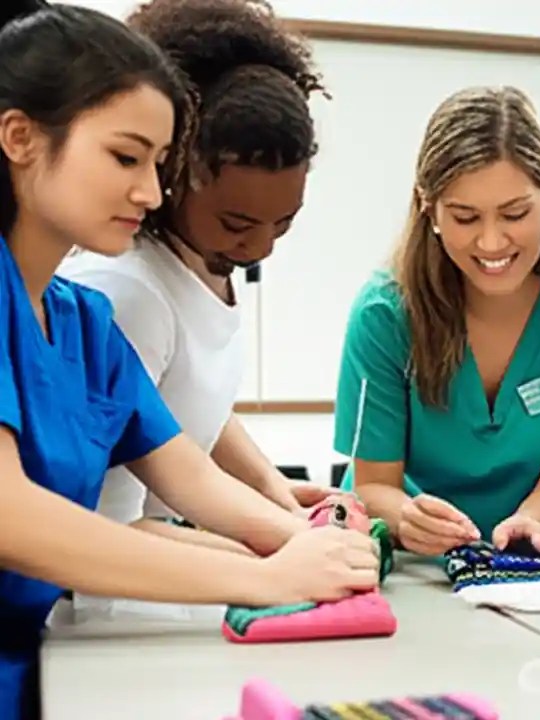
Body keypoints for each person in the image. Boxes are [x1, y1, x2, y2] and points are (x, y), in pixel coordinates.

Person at [0, 3, 376, 717]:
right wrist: (269, 576)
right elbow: (11, 517)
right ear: (20, 136)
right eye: (125, 157)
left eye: (158, 163)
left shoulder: (86, 324)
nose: (150, 191)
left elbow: (191, 474)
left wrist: (315, 545)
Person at [58, 0, 335, 554]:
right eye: (238, 224)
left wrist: (269, 488)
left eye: (283, 223)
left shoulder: (195, 267)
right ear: (177, 170)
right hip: (109, 594)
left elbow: (177, 406)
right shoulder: (125, 292)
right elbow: (93, 526)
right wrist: (270, 546)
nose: (259, 247)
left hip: (153, 571)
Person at [334, 86, 540, 560]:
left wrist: (529, 525)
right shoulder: (385, 315)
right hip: (416, 561)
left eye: (515, 214)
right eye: (464, 217)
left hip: (538, 552)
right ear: (428, 208)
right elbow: (375, 484)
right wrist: (407, 519)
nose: (492, 242)